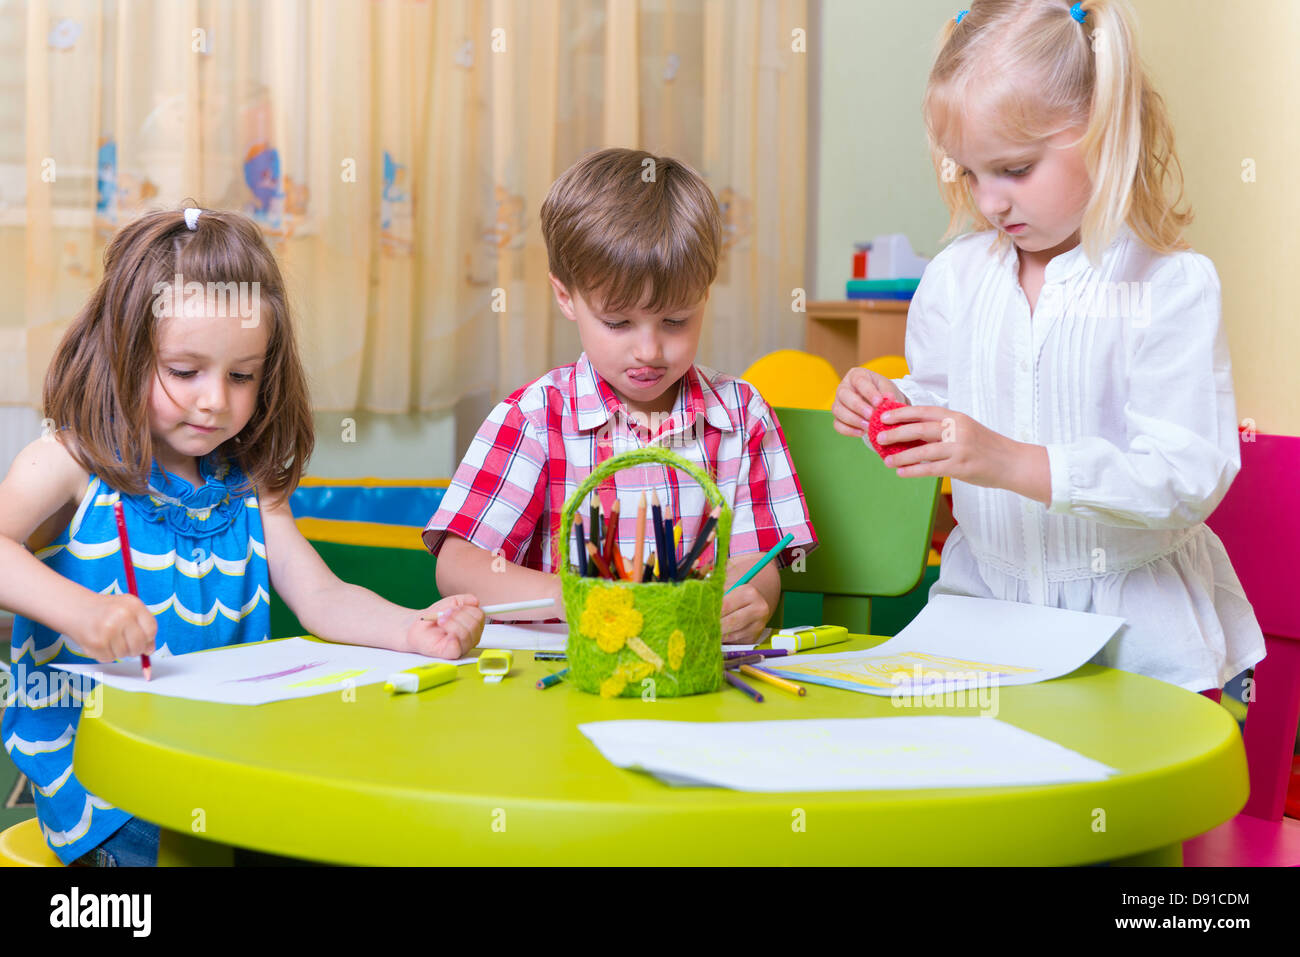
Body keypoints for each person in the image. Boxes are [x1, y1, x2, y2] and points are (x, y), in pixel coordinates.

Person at [0, 207, 484, 865]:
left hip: (224, 755)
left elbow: (320, 593)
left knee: (325, 833)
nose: (214, 402)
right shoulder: (69, 461)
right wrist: (80, 611)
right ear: (123, 348)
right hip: (103, 778)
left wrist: (410, 628)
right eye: (184, 370)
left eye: (241, 375)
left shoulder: (249, 482)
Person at [833, 0, 1264, 692]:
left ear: (1102, 132)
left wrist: (1006, 459)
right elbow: (945, 399)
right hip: (988, 619)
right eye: (970, 174)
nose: (991, 202)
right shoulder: (956, 277)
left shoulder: (1169, 284)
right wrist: (892, 406)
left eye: (1015, 168)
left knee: (1126, 797)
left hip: (1137, 640)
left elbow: (1183, 477)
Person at [426, 148, 816, 645]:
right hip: (560, 679)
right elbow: (459, 565)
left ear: (706, 293)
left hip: (687, 675)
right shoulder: (534, 417)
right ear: (566, 297)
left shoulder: (742, 415)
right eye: (618, 323)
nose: (649, 350)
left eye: (676, 320)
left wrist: (747, 598)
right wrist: (566, 596)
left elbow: (759, 563)